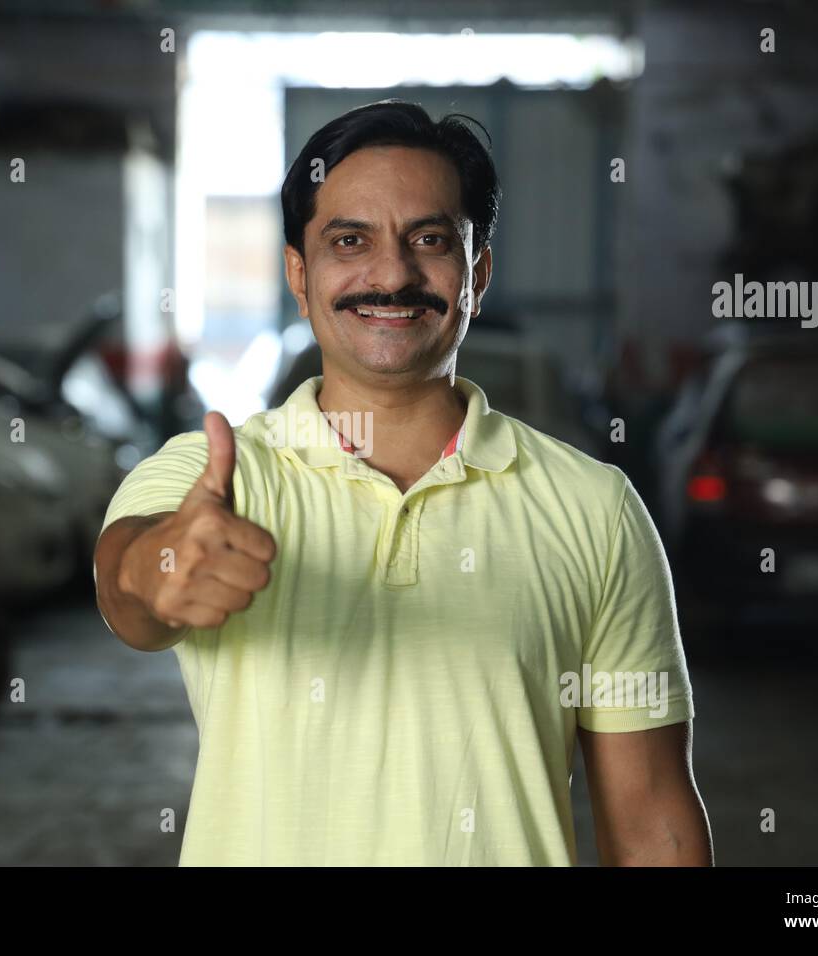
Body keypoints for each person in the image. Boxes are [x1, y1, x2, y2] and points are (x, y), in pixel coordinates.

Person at [94, 100, 712, 866]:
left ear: (477, 274)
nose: (391, 274)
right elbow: (128, 592)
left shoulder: (596, 510)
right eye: (349, 240)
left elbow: (649, 813)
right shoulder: (213, 477)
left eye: (430, 240)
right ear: (299, 272)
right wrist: (161, 570)